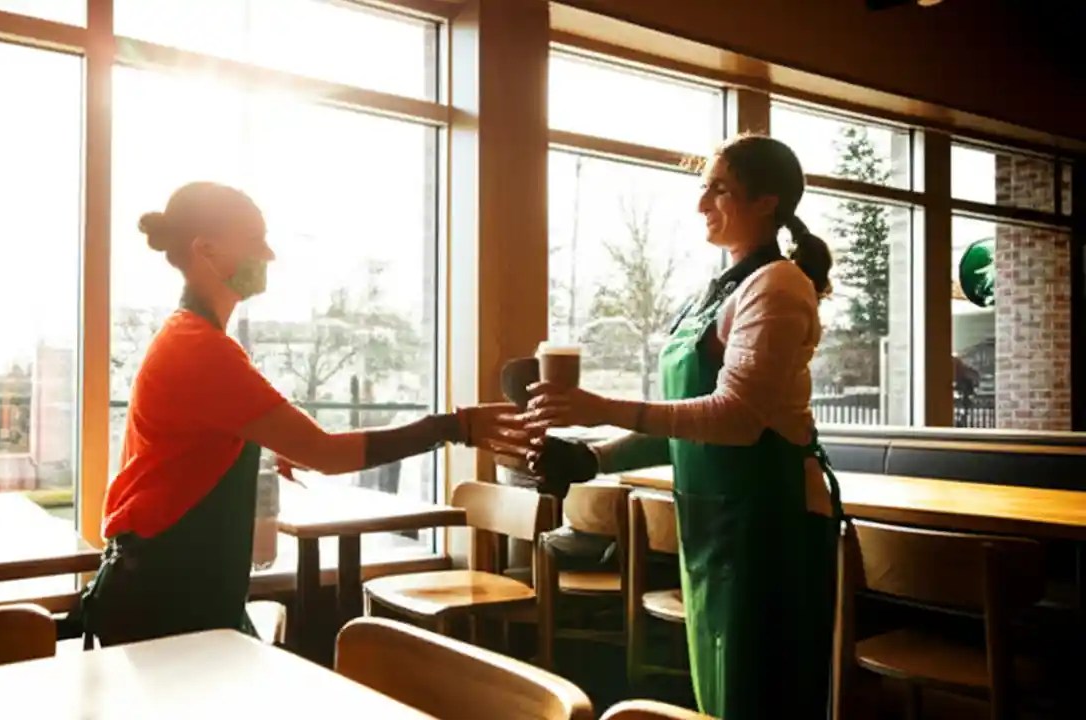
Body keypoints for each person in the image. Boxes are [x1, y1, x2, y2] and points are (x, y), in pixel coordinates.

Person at [80, 181, 522, 648]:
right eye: (254, 241)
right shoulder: (201, 351)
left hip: (160, 583)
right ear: (205, 250)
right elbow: (326, 454)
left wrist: (258, 453)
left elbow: (206, 448)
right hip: (166, 601)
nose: (267, 255)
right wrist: (452, 427)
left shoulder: (187, 336)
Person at [521, 135, 844, 718]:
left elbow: (735, 418)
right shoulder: (715, 293)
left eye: (719, 188)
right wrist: (592, 458)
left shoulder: (778, 286)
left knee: (760, 696)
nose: (702, 204)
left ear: (766, 200)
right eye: (704, 187)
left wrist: (602, 408)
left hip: (768, 526)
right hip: (714, 524)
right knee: (716, 693)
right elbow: (689, 420)